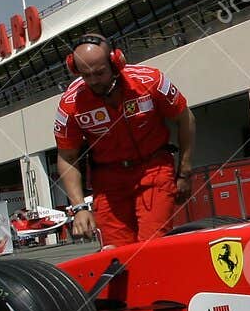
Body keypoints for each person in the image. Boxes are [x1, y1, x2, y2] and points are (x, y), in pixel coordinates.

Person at [54, 33, 195, 246]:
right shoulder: (71, 104)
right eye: (86, 75)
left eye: (100, 73)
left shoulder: (150, 81)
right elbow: (67, 157)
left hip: (153, 170)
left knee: (152, 246)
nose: (94, 81)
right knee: (116, 254)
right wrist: (79, 207)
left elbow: (186, 120)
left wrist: (184, 172)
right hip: (109, 183)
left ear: (115, 61)